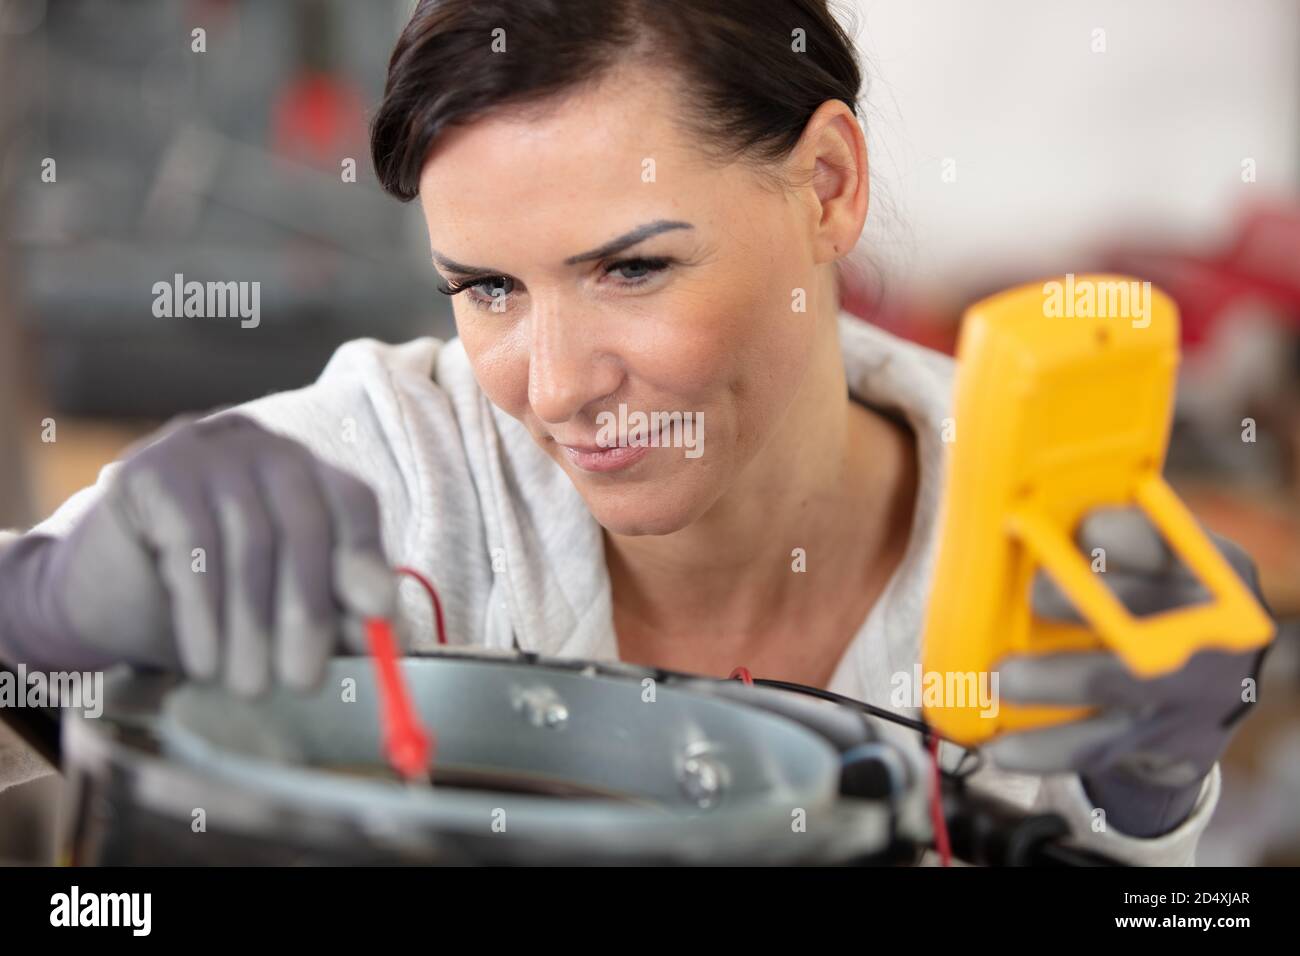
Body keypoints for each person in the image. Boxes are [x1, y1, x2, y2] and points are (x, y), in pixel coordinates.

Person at [0, 0, 1270, 865]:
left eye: (631, 270)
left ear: (827, 185)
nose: (553, 387)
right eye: (487, 287)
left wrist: (1144, 814)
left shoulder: (1042, 561)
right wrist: (44, 608)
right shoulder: (390, 473)